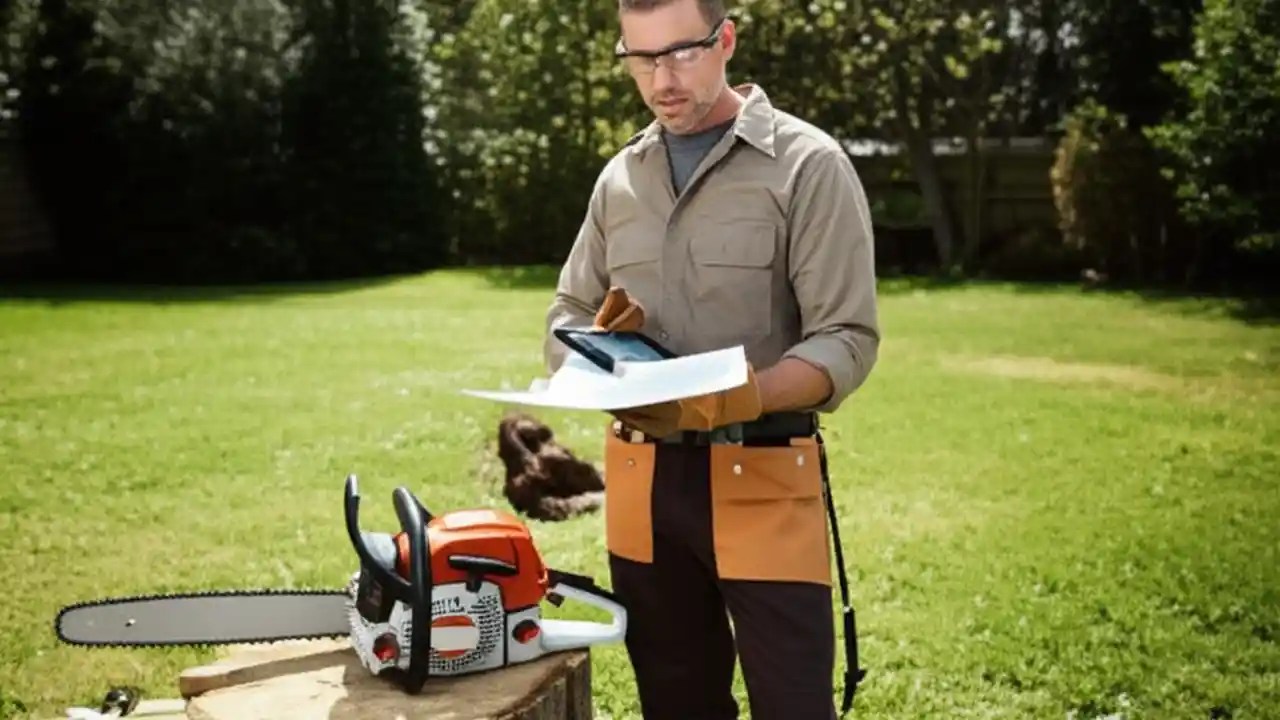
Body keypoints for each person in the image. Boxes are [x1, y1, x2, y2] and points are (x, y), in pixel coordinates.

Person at [542, 0, 879, 717]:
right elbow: (565, 316)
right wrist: (597, 348)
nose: (662, 78)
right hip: (641, 483)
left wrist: (742, 395)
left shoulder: (808, 166)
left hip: (761, 473)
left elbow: (845, 338)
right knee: (675, 702)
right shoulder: (619, 179)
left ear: (726, 39)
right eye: (641, 58)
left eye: (682, 53)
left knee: (793, 705)